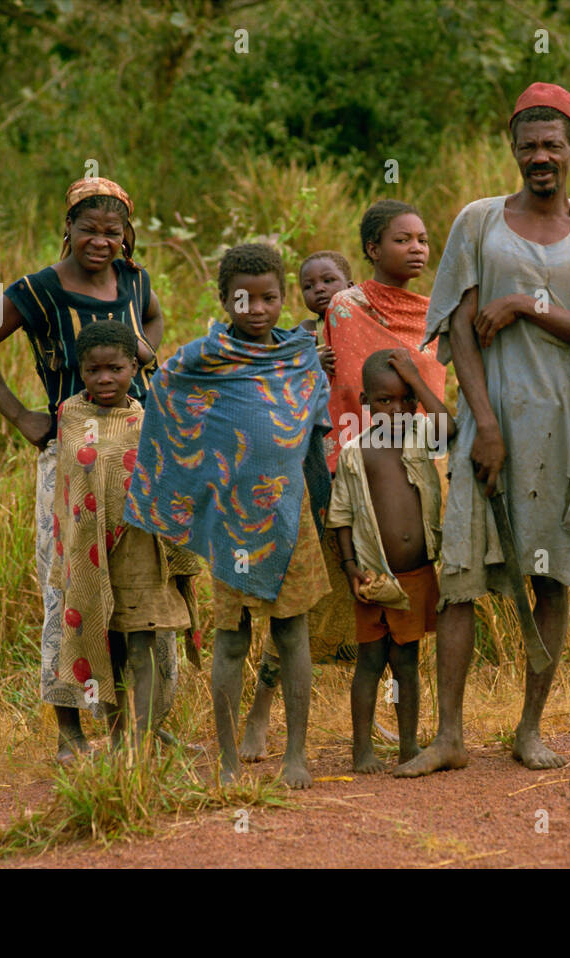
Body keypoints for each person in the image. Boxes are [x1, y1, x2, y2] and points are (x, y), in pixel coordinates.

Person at [395, 82, 570, 777]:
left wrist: (528, 305)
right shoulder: (479, 221)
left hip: (565, 420)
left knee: (551, 577)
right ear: (513, 150)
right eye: (528, 145)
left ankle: (530, 730)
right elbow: (459, 328)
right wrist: (484, 424)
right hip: (490, 421)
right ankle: (451, 736)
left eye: (552, 144)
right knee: (462, 576)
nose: (540, 156)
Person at [0, 176, 166, 765]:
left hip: (136, 451)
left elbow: (151, 317)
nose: (100, 241)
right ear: (66, 229)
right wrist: (20, 415)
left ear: (126, 237)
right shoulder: (37, 289)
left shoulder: (135, 279)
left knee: (136, 585)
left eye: (111, 232)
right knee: (71, 589)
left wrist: (145, 353)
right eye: (88, 230)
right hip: (69, 456)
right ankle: (71, 735)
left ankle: (134, 728)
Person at [124, 243, 331, 789]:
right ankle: (227, 762)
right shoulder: (203, 359)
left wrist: (325, 500)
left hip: (291, 516)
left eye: (269, 298)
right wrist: (186, 490)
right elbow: (165, 398)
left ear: (284, 298)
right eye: (243, 298)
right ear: (223, 299)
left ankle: (296, 756)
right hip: (230, 524)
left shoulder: (300, 358)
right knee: (232, 641)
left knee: (291, 634)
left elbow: (316, 435)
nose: (256, 309)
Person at [49, 320, 199, 748]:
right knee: (107, 650)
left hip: (140, 555)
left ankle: (142, 741)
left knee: (142, 647)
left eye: (114, 368)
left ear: (134, 366)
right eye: (93, 370)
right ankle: (118, 742)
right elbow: (68, 495)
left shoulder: (149, 421)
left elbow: (173, 491)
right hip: (90, 557)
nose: (104, 379)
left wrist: (182, 560)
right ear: (81, 371)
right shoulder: (71, 416)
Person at [237, 249, 352, 763]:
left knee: (370, 608)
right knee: (294, 608)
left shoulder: (365, 327)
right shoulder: (294, 342)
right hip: (306, 490)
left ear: (353, 285)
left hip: (363, 487)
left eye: (331, 280)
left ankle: (372, 721)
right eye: (309, 284)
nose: (320, 290)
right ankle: (259, 716)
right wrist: (306, 361)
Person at [328, 348, 455, 773]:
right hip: (373, 577)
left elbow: (449, 429)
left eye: (406, 399)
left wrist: (418, 381)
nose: (397, 409)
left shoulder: (422, 434)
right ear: (364, 404)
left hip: (417, 577)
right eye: (385, 400)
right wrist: (349, 568)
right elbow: (341, 516)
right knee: (369, 664)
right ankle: (361, 749)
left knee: (406, 665)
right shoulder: (356, 453)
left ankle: (407, 745)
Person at [321, 200, 445, 472]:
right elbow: (349, 388)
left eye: (422, 240)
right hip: (362, 457)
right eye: (402, 240)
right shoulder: (347, 307)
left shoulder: (434, 314)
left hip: (422, 454)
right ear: (373, 249)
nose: (417, 248)